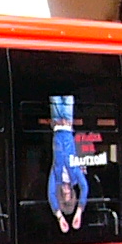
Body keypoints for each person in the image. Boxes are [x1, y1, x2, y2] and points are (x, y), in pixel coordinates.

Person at [47, 96, 89, 233]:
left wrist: (59, 217)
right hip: (68, 122)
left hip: (57, 124)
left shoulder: (56, 176)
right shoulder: (75, 176)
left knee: (55, 94)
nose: (66, 192)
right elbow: (85, 188)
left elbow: (50, 194)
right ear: (72, 194)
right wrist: (79, 212)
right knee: (68, 94)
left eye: (63, 195)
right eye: (68, 195)